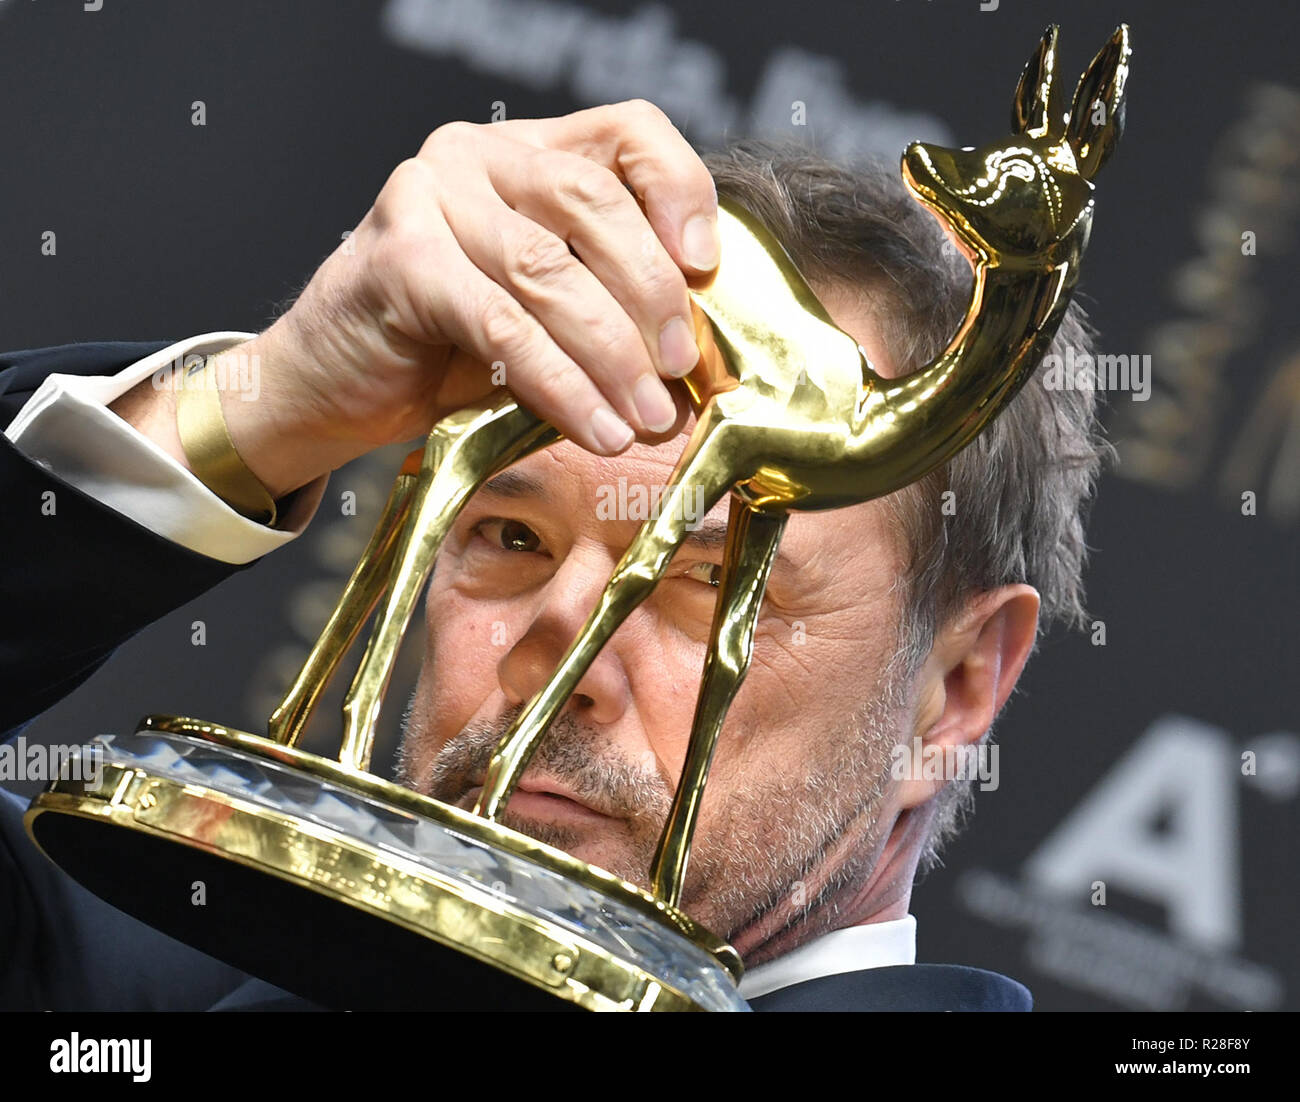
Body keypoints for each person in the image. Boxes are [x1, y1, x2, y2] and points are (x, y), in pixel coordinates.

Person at [1, 100, 1106, 1011]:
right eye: (512, 538)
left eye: (709, 581)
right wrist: (255, 410)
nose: (560, 635)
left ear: (956, 689)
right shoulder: (103, 986)